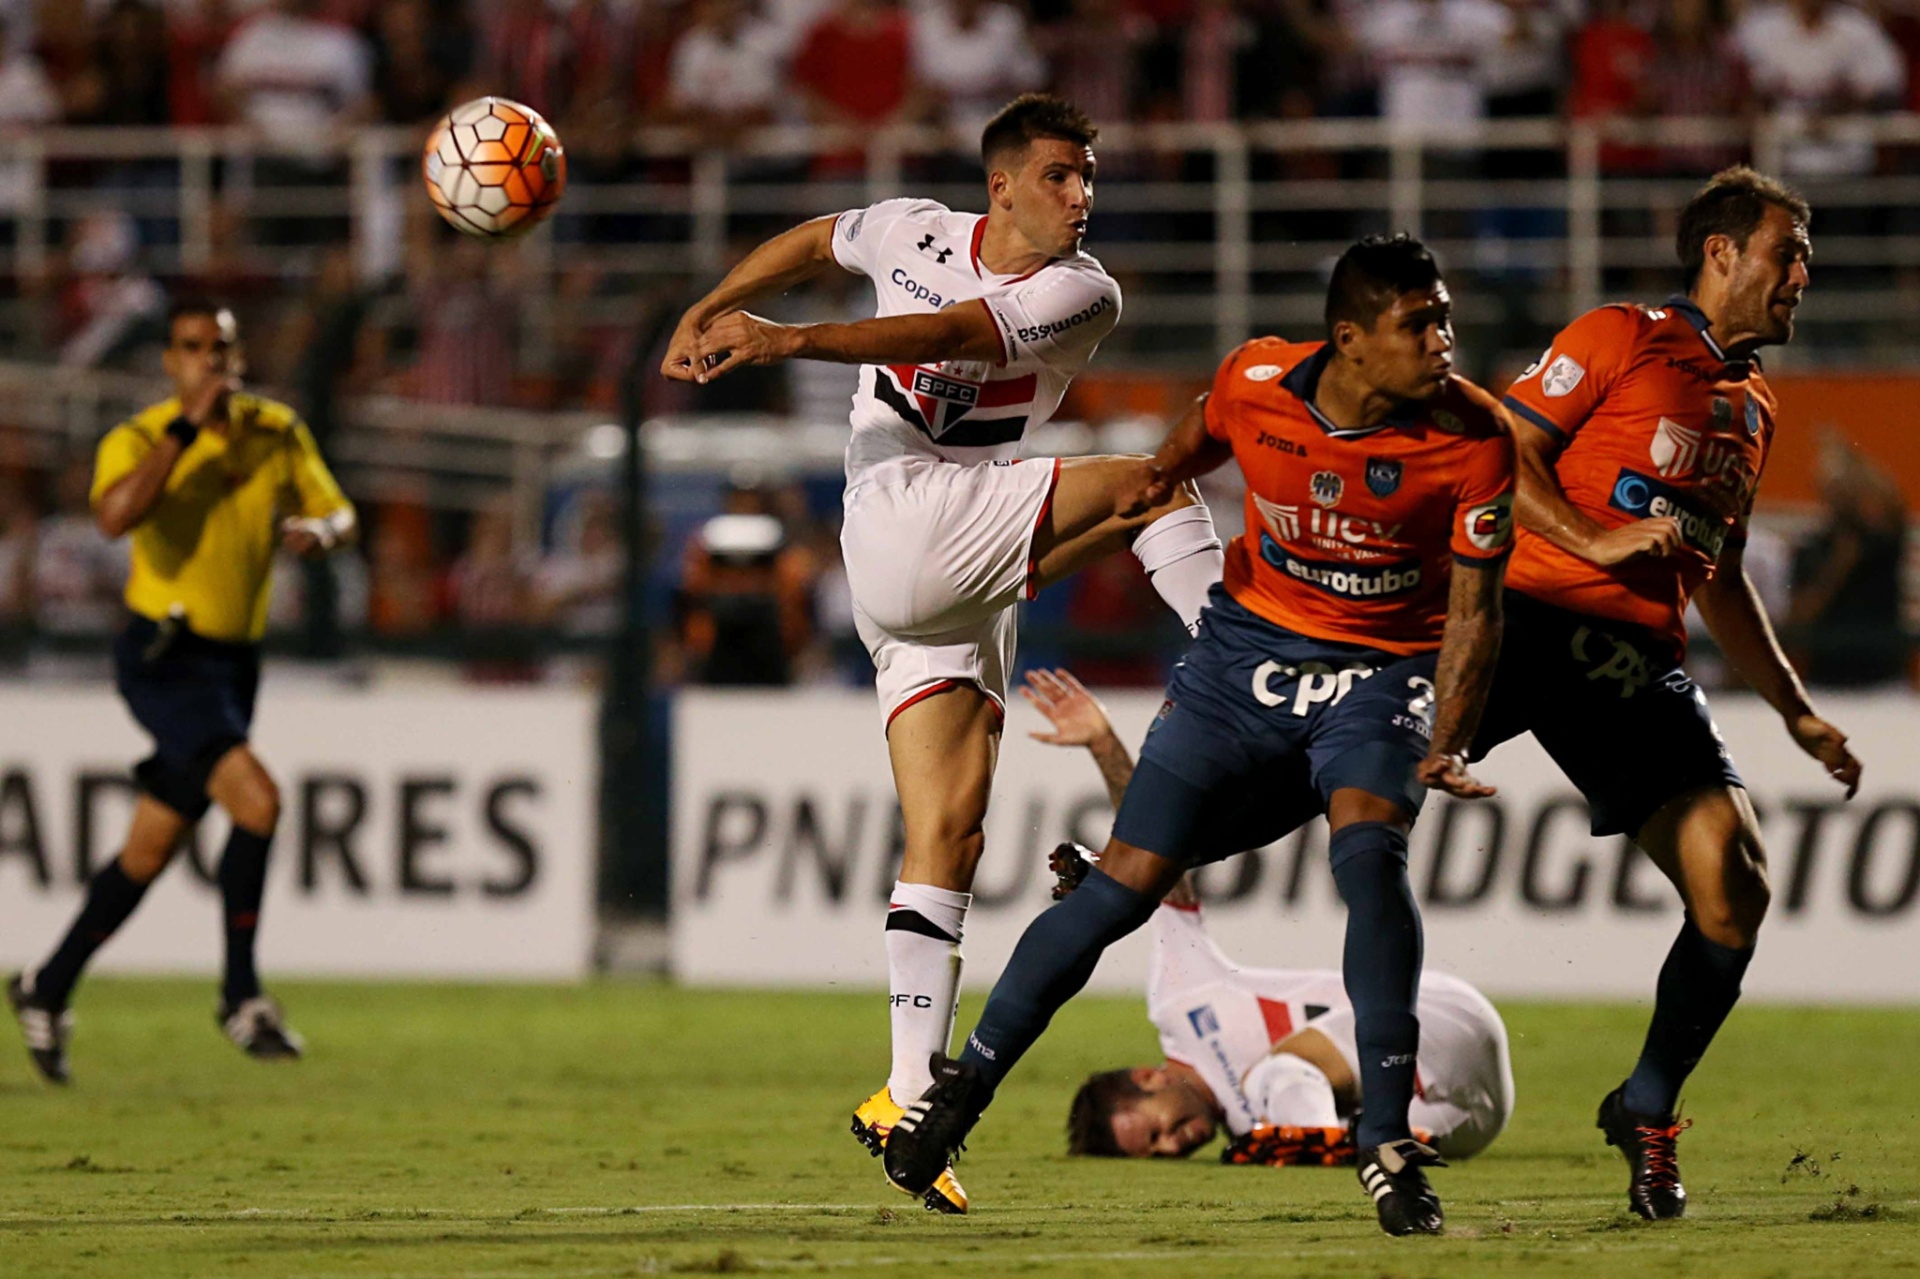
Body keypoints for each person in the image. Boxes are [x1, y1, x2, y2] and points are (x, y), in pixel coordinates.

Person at [882, 234, 1515, 1237]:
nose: (1444, 340)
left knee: (1368, 856)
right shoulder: (1258, 380)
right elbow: (1188, 442)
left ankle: (1387, 1143)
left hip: (1381, 672)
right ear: (1349, 339)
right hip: (1241, 665)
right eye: (1420, 322)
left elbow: (1478, 613)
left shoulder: (1475, 434)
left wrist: (1453, 733)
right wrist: (1150, 482)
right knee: (1119, 885)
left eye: (1444, 319)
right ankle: (956, 1096)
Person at [661, 93, 1226, 1215]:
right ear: (1003, 183)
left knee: (949, 833)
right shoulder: (914, 228)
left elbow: (953, 336)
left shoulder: (1082, 290)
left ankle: (910, 1093)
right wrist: (715, 300)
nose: (1083, 197)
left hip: (940, 559)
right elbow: (821, 238)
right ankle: (1247, 657)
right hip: (904, 515)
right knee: (1148, 480)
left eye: (1089, 178)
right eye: (1062, 176)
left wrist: (791, 338)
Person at [1480, 166, 1862, 1221]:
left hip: (1629, 660)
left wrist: (1793, 710)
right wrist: (1597, 538)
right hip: (1513, 620)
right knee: (1336, 769)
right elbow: (1500, 453)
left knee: (1735, 884)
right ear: (1722, 252)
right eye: (1787, 256)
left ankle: (1645, 1103)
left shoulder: (1755, 407)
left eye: (1808, 263)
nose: (1801, 278)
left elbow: (1723, 575)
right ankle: (1136, 855)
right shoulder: (1619, 334)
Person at [7, 299, 357, 1085]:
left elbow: (338, 509)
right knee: (259, 803)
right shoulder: (138, 438)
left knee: (151, 846)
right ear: (170, 362)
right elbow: (114, 516)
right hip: (164, 653)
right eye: (193, 347)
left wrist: (320, 533)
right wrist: (184, 432)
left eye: (221, 348)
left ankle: (46, 983)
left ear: (237, 358)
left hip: (235, 662)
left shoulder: (276, 430)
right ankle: (241, 995)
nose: (208, 360)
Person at [1021, 667, 1514, 1165]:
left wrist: (1103, 744)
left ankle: (1315, 1147)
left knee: (1274, 1081)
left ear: (1150, 1079)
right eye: (1159, 1152)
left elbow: (1155, 861)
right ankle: (1333, 1147)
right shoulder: (1250, 1125)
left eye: (1155, 1132)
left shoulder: (1180, 999)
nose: (1174, 1145)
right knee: (1290, 1121)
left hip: (1439, 1021)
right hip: (1467, 1116)